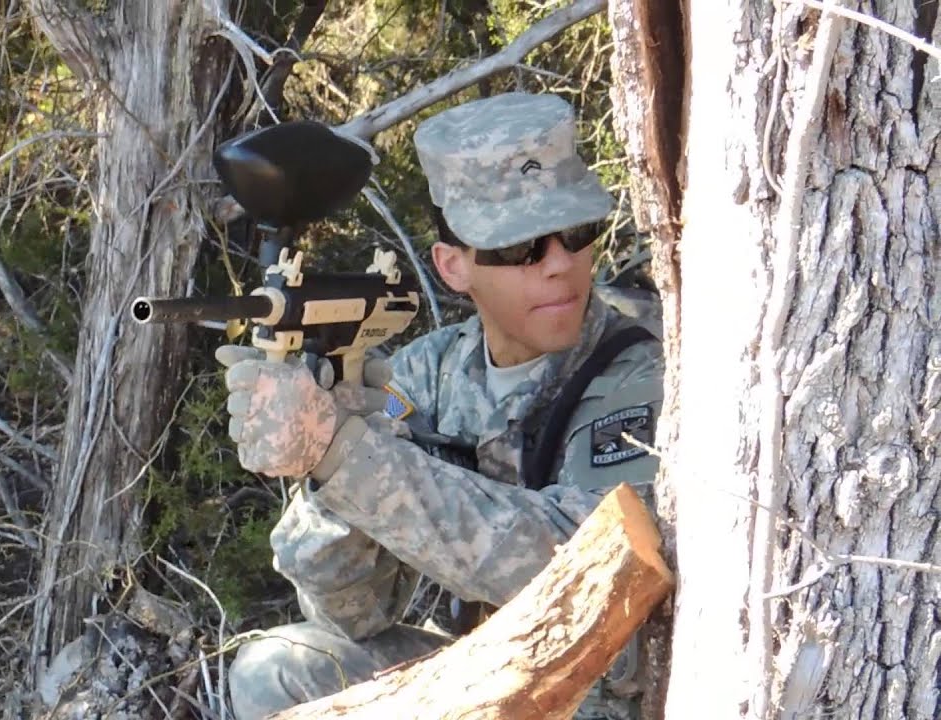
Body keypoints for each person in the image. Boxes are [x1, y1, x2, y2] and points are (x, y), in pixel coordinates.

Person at [217, 91, 664, 720]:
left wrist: (346, 456)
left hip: (609, 700)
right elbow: (350, 612)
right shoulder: (429, 372)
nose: (559, 265)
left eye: (577, 232)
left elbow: (587, 577)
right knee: (278, 669)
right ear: (454, 266)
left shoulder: (644, 361)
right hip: (494, 674)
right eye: (519, 249)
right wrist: (324, 462)